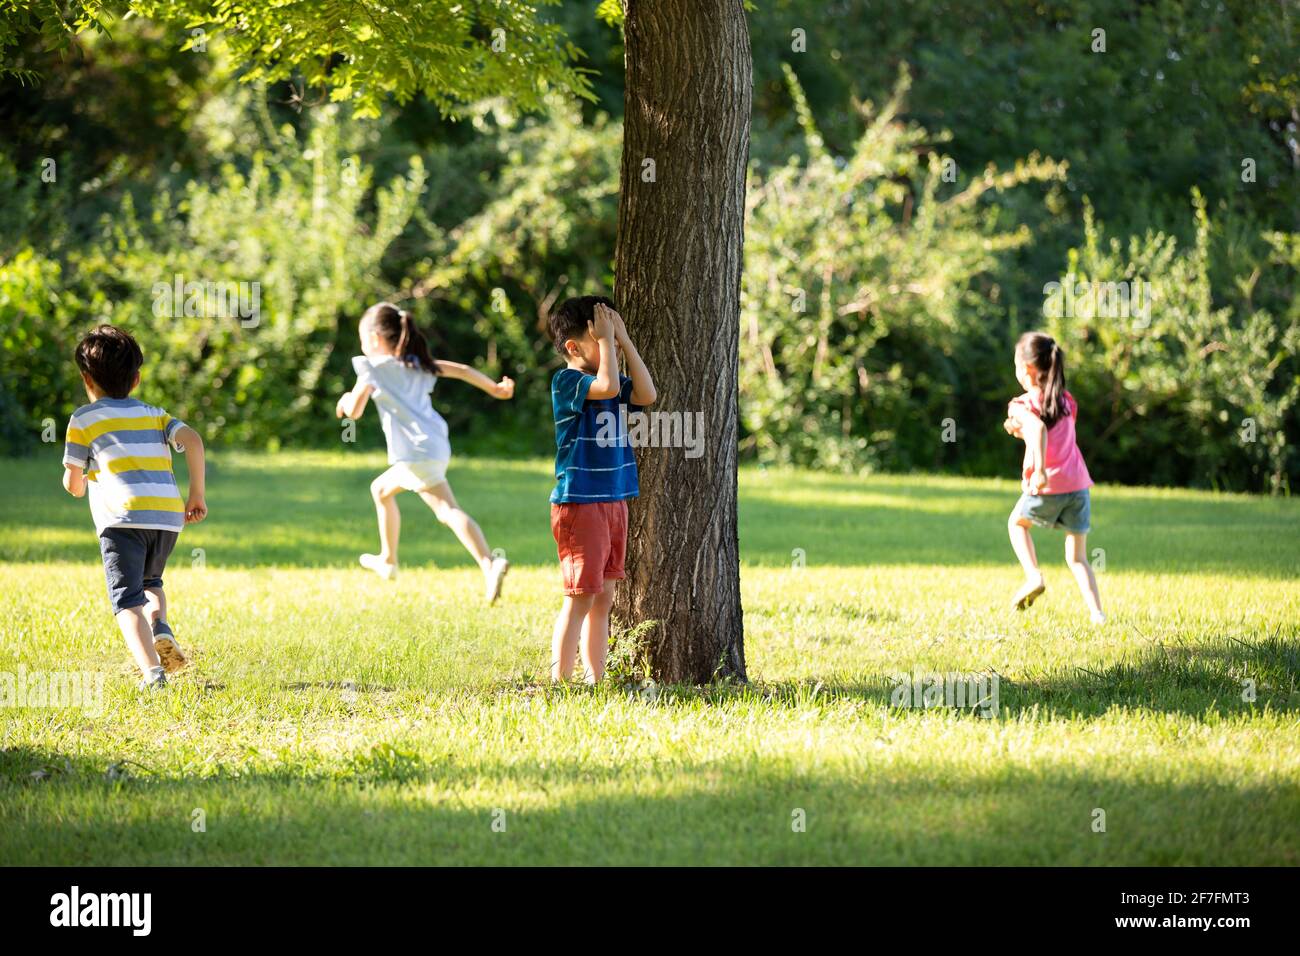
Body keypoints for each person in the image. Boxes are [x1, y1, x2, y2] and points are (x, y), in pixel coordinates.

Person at [336, 302, 513, 602]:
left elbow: (353, 411)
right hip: (435, 445)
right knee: (380, 489)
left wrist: (343, 401)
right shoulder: (416, 364)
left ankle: (488, 561)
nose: (362, 345)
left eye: (363, 338)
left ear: (376, 338)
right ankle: (388, 561)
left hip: (414, 453)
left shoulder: (372, 370)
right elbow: (461, 370)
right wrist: (494, 388)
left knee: (446, 510)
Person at [61, 324, 207, 689]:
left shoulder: (83, 419)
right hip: (166, 517)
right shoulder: (155, 414)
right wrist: (196, 495)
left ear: (86, 379)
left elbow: (74, 482)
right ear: (137, 379)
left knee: (126, 600)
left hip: (121, 520)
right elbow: (192, 440)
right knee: (151, 582)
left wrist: (77, 483)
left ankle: (153, 674)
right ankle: (160, 627)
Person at [547, 296, 656, 682]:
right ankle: (559, 682)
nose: (608, 341)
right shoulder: (568, 382)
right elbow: (607, 387)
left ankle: (596, 679)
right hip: (580, 504)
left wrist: (622, 340)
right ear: (574, 347)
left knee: (604, 598)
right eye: (599, 336)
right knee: (580, 597)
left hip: (613, 501)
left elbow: (646, 395)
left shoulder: (607, 376)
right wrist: (610, 343)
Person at [1004, 331, 1105, 623]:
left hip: (1048, 484)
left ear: (1026, 370)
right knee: (1077, 557)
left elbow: (1039, 430)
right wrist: (1019, 429)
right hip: (1078, 485)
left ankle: (1033, 575)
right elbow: (1057, 434)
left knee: (1016, 524)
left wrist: (1040, 470)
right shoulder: (1067, 402)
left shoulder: (1021, 405)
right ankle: (1097, 613)